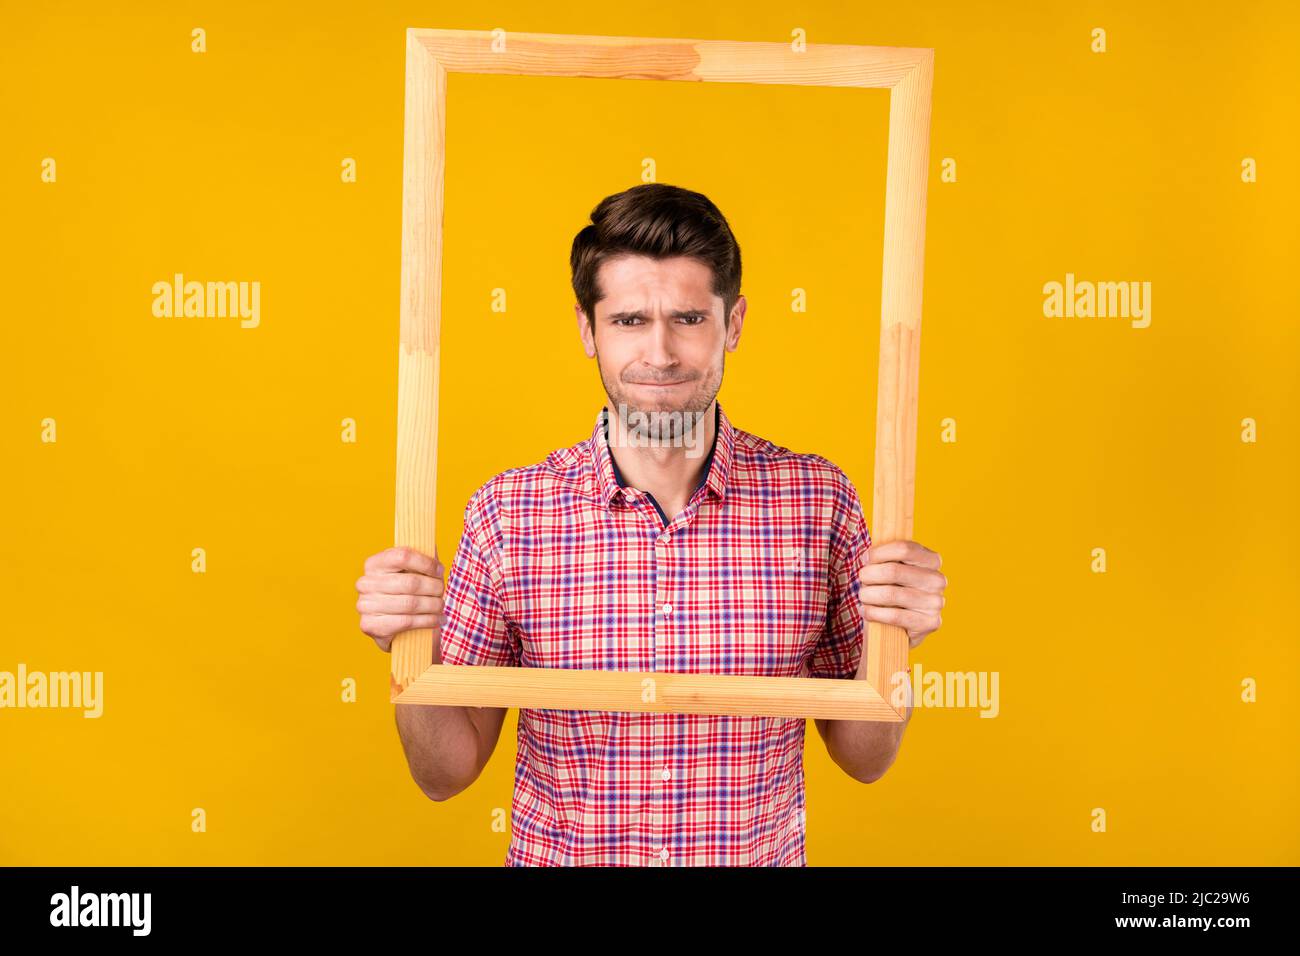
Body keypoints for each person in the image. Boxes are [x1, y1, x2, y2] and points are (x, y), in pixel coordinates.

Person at [355, 183, 947, 866]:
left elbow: (865, 758)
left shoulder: (819, 502)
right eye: (630, 320)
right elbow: (445, 773)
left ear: (734, 323)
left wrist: (895, 639)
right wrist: (407, 651)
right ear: (588, 330)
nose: (661, 354)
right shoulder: (507, 514)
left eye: (689, 319)